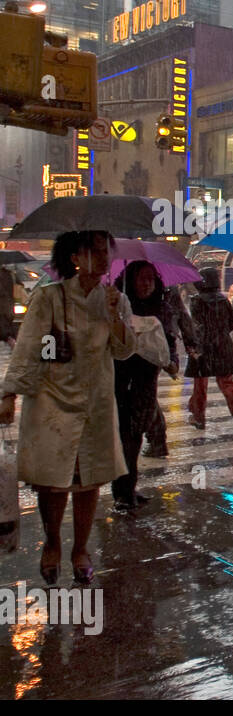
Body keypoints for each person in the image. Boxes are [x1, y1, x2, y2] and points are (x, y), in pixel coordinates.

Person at [0, 231, 134, 584]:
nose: (104, 259)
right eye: (96, 252)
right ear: (76, 257)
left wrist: (113, 316)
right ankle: (53, 542)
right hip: (52, 402)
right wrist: (10, 393)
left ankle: (81, 548)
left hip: (96, 404)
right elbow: (29, 347)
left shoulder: (114, 299)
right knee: (53, 484)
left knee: (89, 481)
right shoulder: (49, 298)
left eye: (107, 252)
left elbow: (124, 351)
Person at [111, 260, 174, 512]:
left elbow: (168, 340)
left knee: (135, 436)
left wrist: (171, 362)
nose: (147, 283)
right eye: (141, 278)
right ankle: (122, 491)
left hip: (146, 381)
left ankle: (128, 488)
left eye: (151, 278)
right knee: (124, 435)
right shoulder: (119, 306)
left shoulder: (161, 307)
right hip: (121, 378)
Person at [185, 266, 233, 434]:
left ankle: (198, 417)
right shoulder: (223, 300)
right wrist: (219, 334)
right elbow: (231, 323)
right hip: (223, 346)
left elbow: (196, 326)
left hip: (203, 347)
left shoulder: (197, 301)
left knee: (200, 384)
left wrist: (195, 345)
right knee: (226, 381)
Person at [142, 285, 196, 458]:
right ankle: (154, 437)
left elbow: (181, 317)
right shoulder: (123, 287)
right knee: (142, 394)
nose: (146, 281)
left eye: (149, 277)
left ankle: (156, 438)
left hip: (155, 347)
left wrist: (191, 344)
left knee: (145, 393)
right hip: (132, 346)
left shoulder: (165, 291)